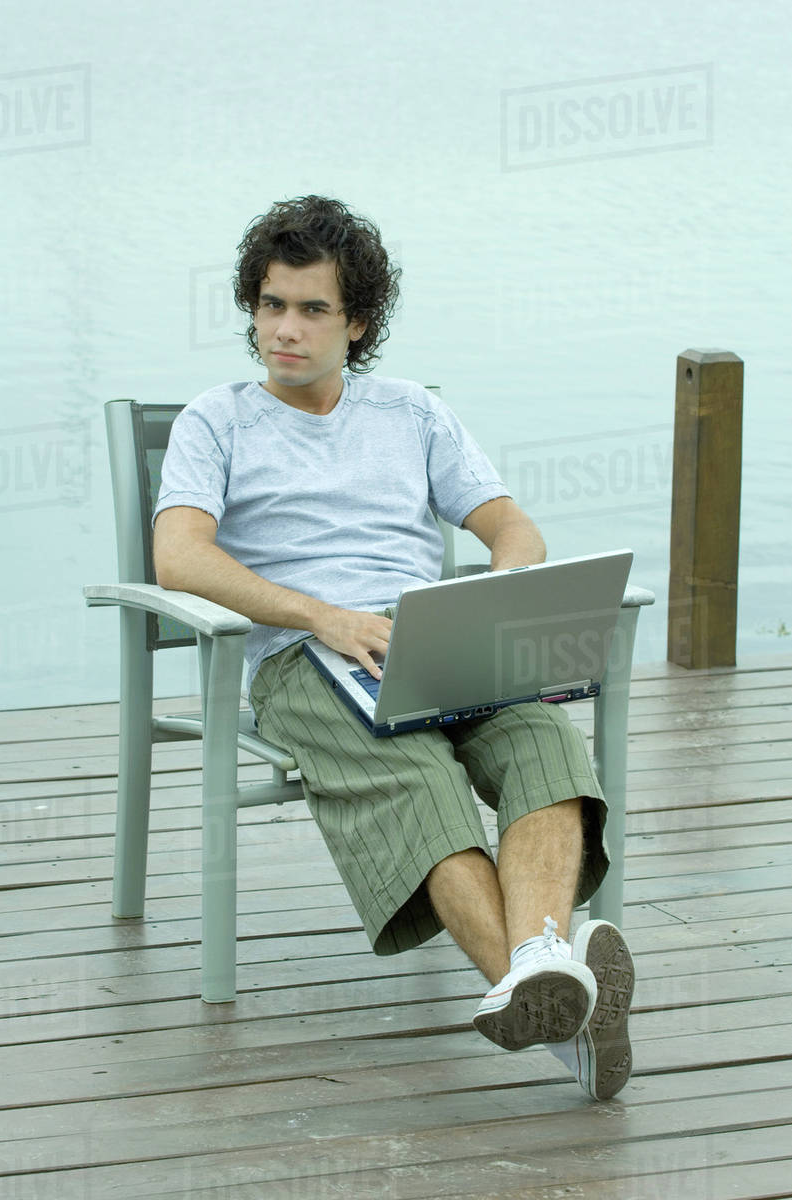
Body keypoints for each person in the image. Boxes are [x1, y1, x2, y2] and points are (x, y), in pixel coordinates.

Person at [153, 195, 635, 1101]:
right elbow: (177, 555)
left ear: (358, 322)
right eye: (269, 305)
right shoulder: (214, 422)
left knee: (544, 742)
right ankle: (563, 1008)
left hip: (434, 639)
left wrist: (495, 592)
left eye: (311, 309)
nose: (283, 330)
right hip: (305, 657)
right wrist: (318, 615)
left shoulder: (411, 413)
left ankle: (539, 965)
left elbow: (510, 525)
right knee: (414, 777)